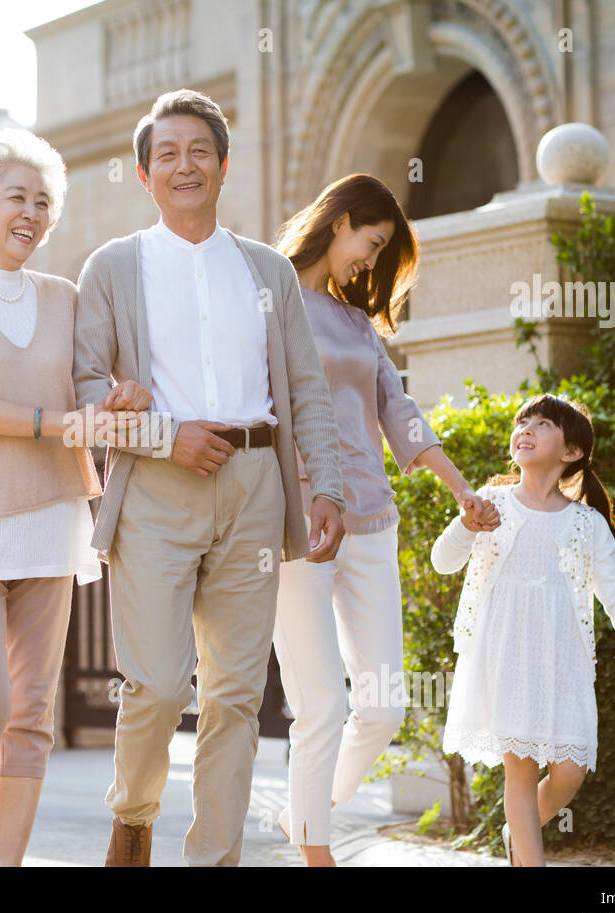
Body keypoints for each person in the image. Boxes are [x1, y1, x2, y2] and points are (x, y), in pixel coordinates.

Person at [74, 88, 350, 867]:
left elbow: (306, 387)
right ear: (144, 174)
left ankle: (214, 858)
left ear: (224, 166)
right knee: (158, 687)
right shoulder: (113, 267)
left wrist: (325, 483)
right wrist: (161, 433)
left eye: (199, 151)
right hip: (155, 494)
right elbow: (86, 389)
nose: (184, 165)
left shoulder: (267, 270)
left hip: (257, 485)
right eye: (167, 154)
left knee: (234, 696)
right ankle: (133, 819)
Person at [0, 127, 146, 866]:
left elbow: (83, 389)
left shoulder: (65, 297)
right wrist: (55, 422)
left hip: (51, 514)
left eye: (44, 202)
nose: (34, 214)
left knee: (32, 712)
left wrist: (113, 398)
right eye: (18, 197)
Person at [268, 173, 498, 865]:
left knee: (382, 709)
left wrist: (462, 490)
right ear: (340, 221)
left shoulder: (355, 321)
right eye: (370, 244)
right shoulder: (268, 297)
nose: (370, 264)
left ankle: (302, 811)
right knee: (321, 707)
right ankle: (317, 850)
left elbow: (400, 411)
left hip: (371, 518)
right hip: (296, 524)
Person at [433, 393, 615, 866]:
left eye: (541, 423)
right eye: (522, 422)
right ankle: (529, 854)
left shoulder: (586, 524)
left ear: (571, 452)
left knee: (570, 771)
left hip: (561, 660)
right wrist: (467, 525)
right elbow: (443, 562)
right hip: (503, 655)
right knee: (520, 775)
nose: (525, 429)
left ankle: (517, 833)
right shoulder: (491, 503)